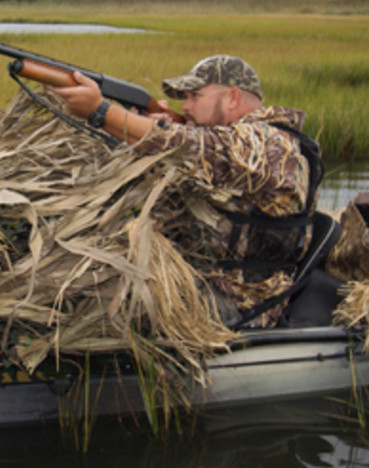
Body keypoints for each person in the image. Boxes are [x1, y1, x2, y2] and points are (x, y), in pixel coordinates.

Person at [50, 55, 322, 328]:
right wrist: (143, 129)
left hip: (242, 305)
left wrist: (101, 111)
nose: (186, 106)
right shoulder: (226, 143)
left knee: (98, 297)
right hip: (200, 283)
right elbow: (184, 152)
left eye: (195, 96)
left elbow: (194, 145)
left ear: (233, 98)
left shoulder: (270, 143)